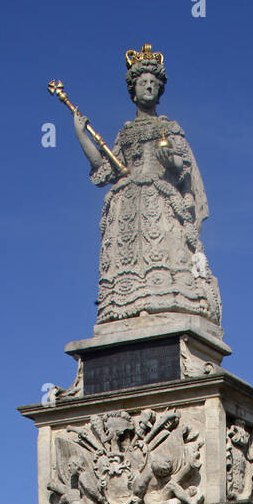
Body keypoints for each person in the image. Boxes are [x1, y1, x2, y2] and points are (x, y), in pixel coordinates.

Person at [73, 46, 221, 325]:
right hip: (127, 207)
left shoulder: (170, 128)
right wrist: (81, 135)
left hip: (159, 202)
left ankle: (165, 305)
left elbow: (183, 169)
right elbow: (105, 170)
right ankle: (128, 308)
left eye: (154, 82)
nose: (149, 86)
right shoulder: (125, 132)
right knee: (125, 275)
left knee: (163, 268)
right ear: (134, 89)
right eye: (143, 82)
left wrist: (172, 162)